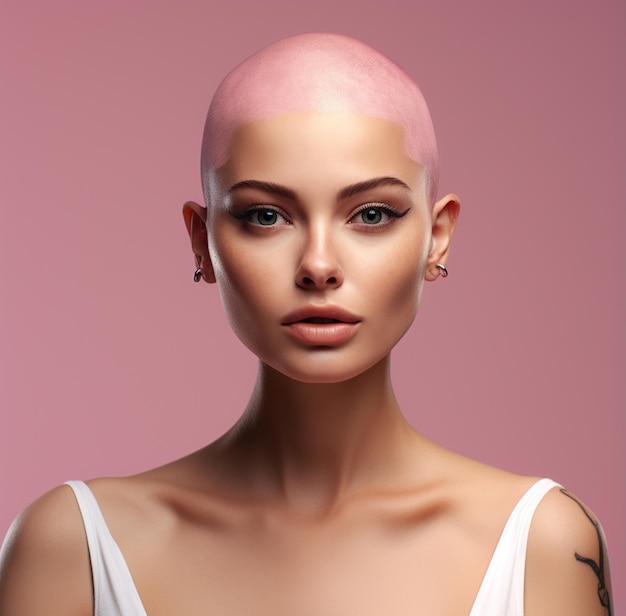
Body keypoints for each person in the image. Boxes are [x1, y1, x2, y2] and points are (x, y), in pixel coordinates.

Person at [0, 33, 613, 616]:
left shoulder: (543, 544)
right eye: (266, 215)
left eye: (371, 213)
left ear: (437, 235)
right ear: (201, 240)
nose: (319, 265)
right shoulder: (71, 549)